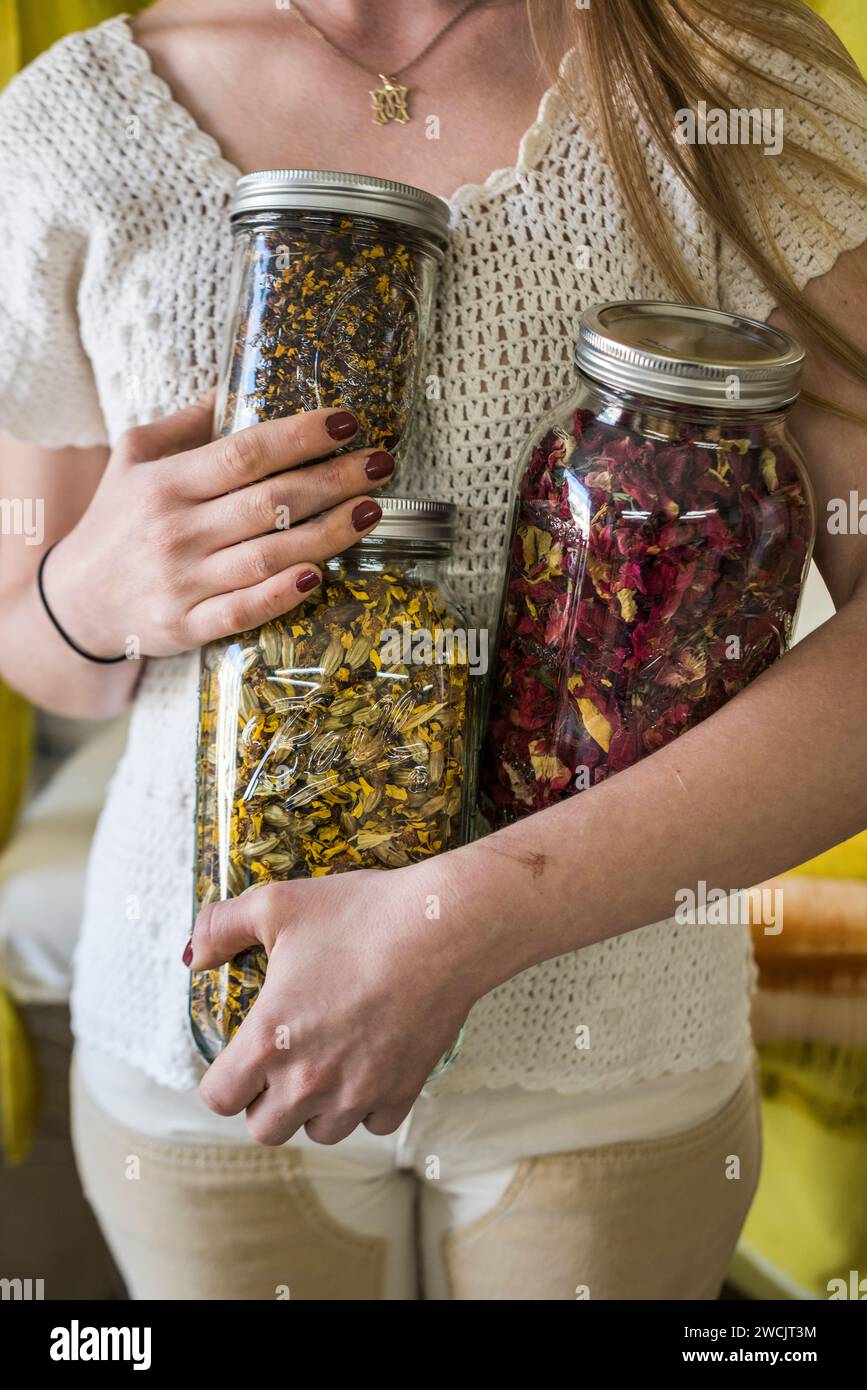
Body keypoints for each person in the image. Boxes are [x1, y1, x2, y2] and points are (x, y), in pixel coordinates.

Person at [0, 0, 865, 1300]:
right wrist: (91, 590)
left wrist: (459, 923)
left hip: (609, 1044)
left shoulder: (727, 68)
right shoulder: (74, 128)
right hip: (211, 1051)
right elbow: (35, 642)